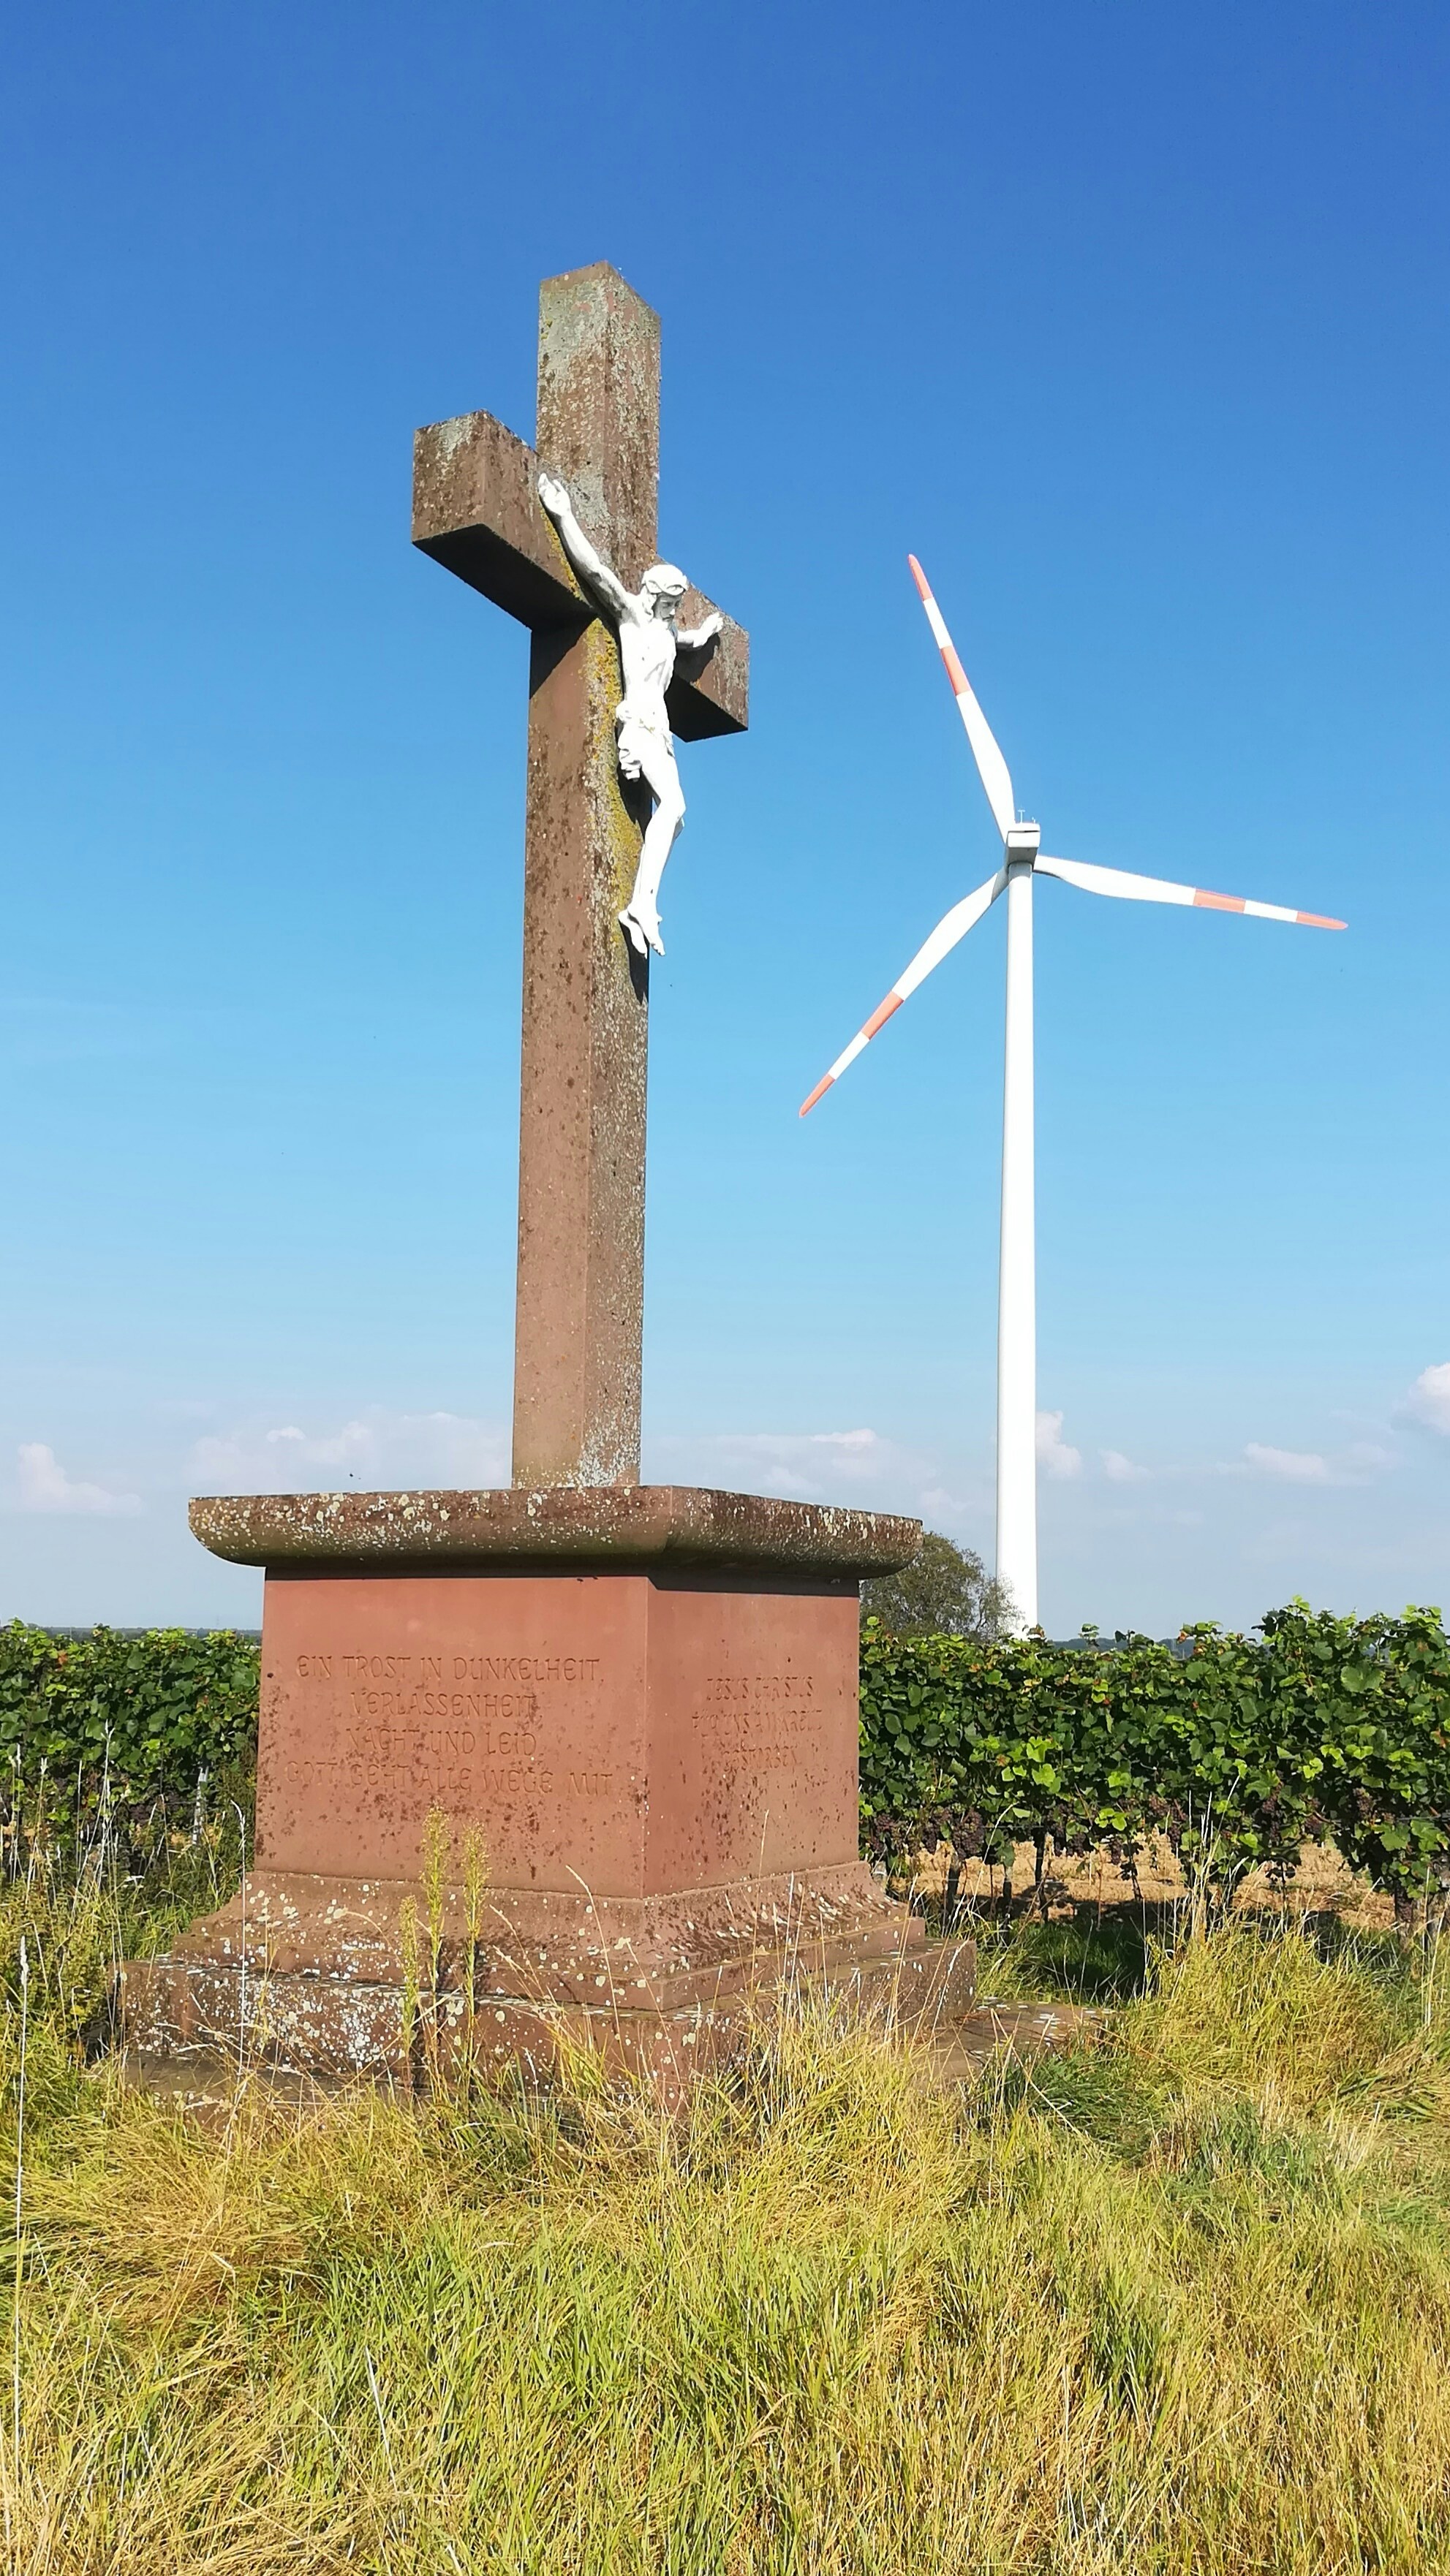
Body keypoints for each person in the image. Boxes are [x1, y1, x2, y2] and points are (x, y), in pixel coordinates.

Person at [537, 471, 722, 958]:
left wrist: (701, 636)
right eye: (672, 602)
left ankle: (643, 902)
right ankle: (640, 905)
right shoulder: (633, 617)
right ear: (656, 594)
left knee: (677, 817)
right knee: (676, 810)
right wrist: (562, 515)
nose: (674, 609)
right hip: (639, 722)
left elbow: (679, 642)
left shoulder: (663, 630)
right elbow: (596, 572)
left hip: (658, 731)